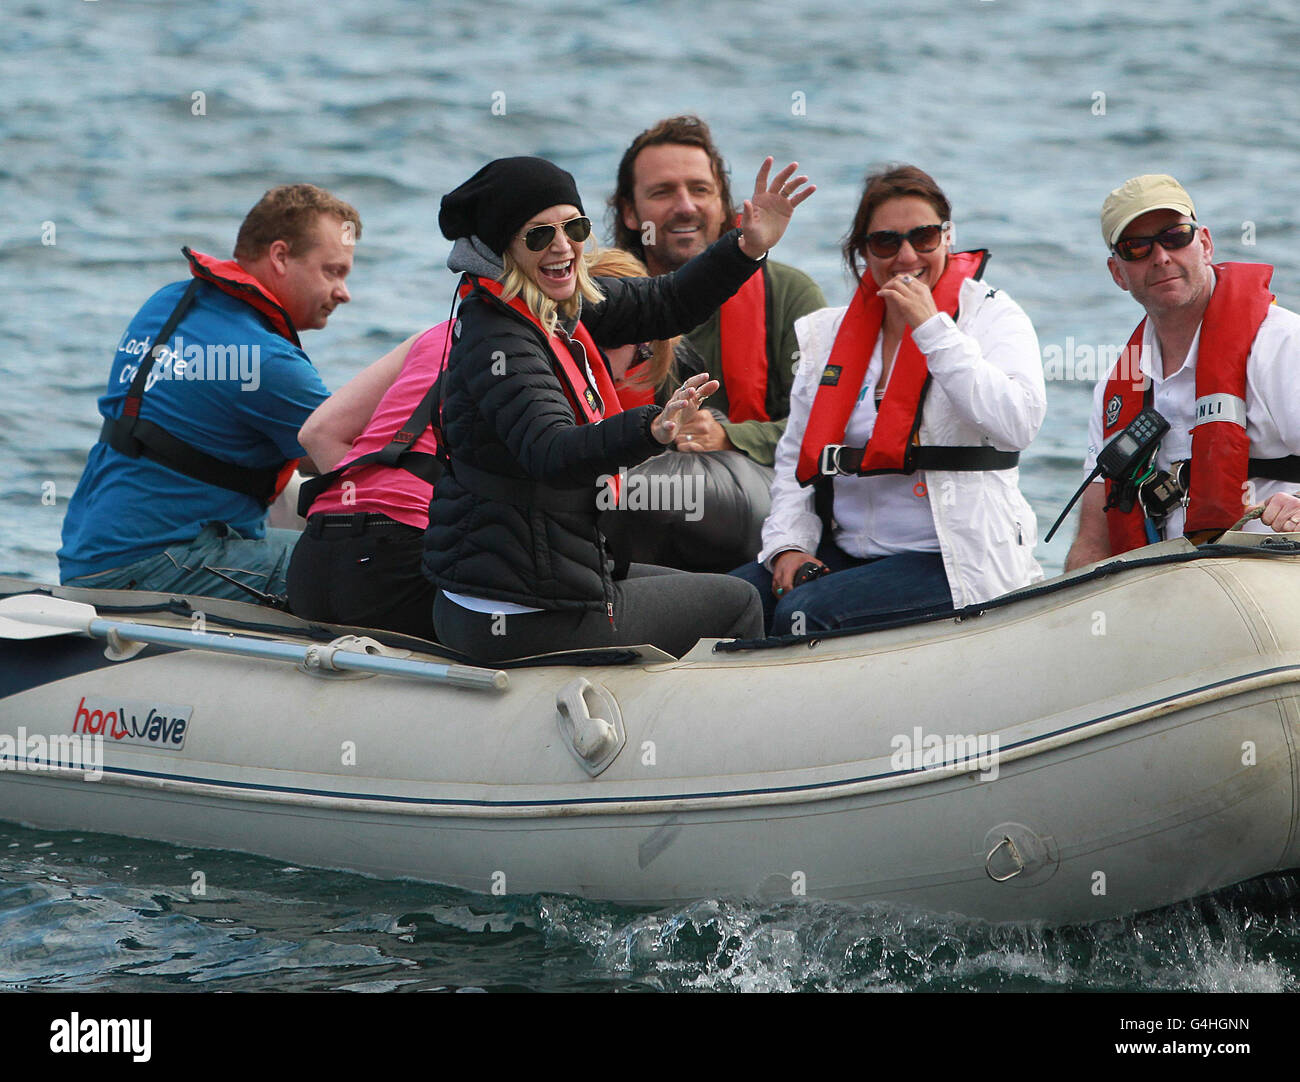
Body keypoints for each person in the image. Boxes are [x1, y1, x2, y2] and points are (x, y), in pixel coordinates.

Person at [425, 154, 813, 662]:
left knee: (691, 585)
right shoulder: (499, 339)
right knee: (737, 601)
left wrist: (746, 247)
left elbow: (668, 302)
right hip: (516, 611)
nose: (563, 247)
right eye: (539, 235)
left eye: (575, 227)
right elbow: (553, 452)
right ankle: (724, 737)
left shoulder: (549, 303)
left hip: (520, 581)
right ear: (503, 249)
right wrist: (649, 428)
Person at [733, 164, 1045, 636]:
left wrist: (933, 329)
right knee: (734, 600)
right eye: (885, 242)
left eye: (923, 238)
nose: (905, 256)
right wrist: (788, 546)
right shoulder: (828, 335)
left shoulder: (993, 315)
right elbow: (795, 458)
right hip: (850, 550)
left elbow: (1018, 423)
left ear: (947, 238)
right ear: (862, 252)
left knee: (805, 612)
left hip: (952, 556)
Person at [58, 184, 361, 601]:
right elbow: (346, 453)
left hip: (88, 551)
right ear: (280, 256)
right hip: (149, 566)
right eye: (334, 271)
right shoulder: (264, 359)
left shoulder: (168, 303)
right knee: (356, 561)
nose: (344, 292)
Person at [1063, 175, 1300, 571]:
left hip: (1274, 581)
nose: (1160, 257)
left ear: (1204, 244)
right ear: (1117, 272)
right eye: (1135, 247)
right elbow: (1093, 539)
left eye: (1175, 236)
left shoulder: (1281, 345)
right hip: (1175, 598)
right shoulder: (1116, 387)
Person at [285, 323, 450, 638]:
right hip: (402, 568)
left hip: (313, 560)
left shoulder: (432, 336)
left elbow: (317, 434)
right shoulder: (547, 349)